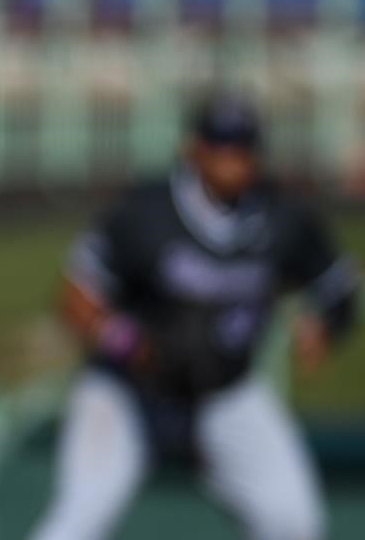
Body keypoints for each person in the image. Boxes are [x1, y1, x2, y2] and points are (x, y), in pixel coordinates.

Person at [30, 91, 358, 540]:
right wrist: (123, 340)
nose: (232, 158)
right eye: (221, 144)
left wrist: (326, 324)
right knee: (78, 520)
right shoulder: (147, 212)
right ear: (194, 148)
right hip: (130, 390)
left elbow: (337, 284)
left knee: (294, 521)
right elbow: (77, 294)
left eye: (242, 146)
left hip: (225, 391)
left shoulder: (283, 218)